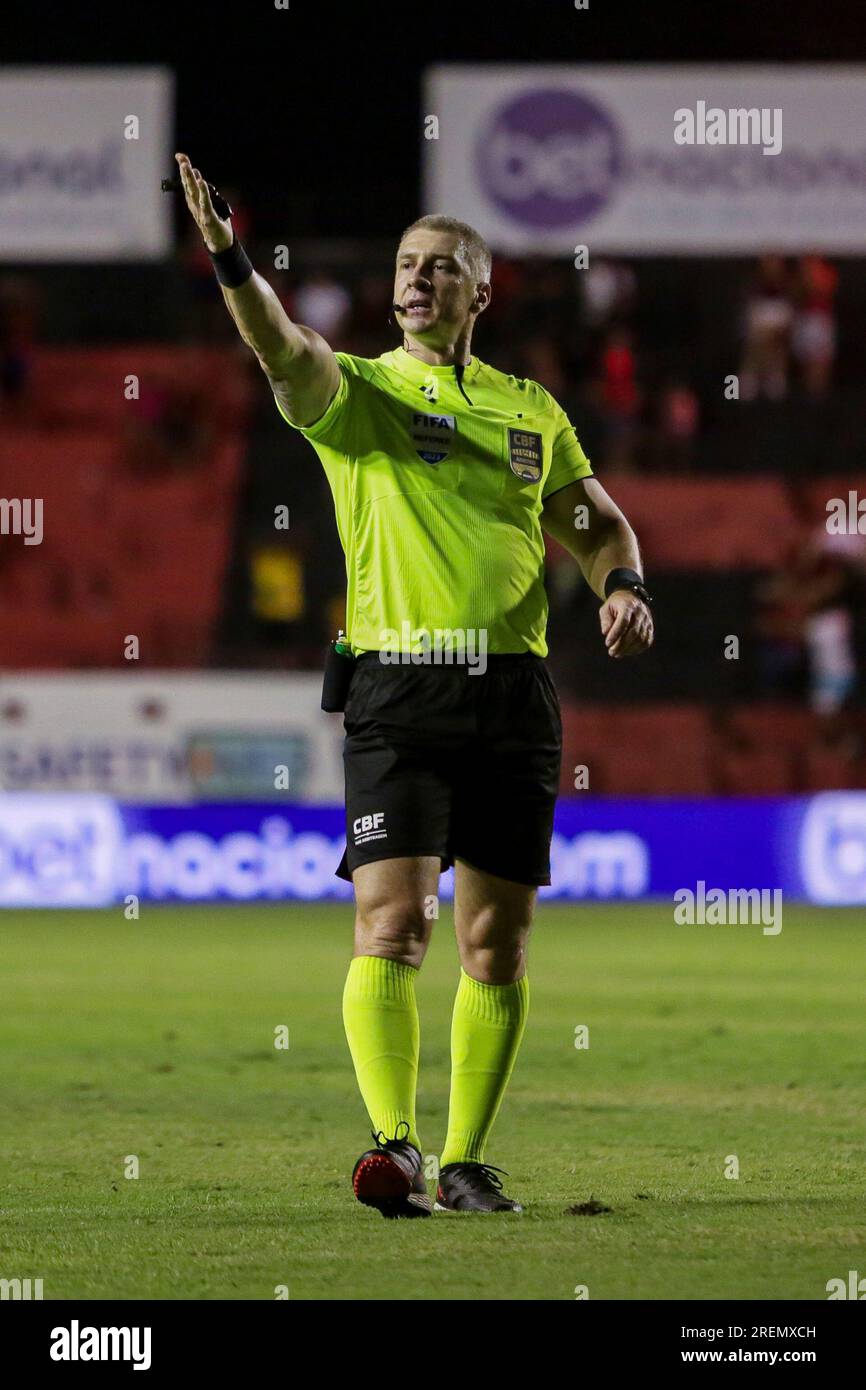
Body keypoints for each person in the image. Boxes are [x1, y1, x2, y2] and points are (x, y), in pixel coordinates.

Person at [174, 152, 654, 1217]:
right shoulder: (362, 395)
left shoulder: (529, 410)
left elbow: (593, 523)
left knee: (497, 940)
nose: (416, 280)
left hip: (513, 696)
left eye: (440, 268)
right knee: (391, 926)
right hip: (398, 691)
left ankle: (465, 1161)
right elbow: (281, 346)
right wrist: (229, 257)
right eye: (405, 265)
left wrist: (620, 585)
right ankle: (391, 1149)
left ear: (481, 292)